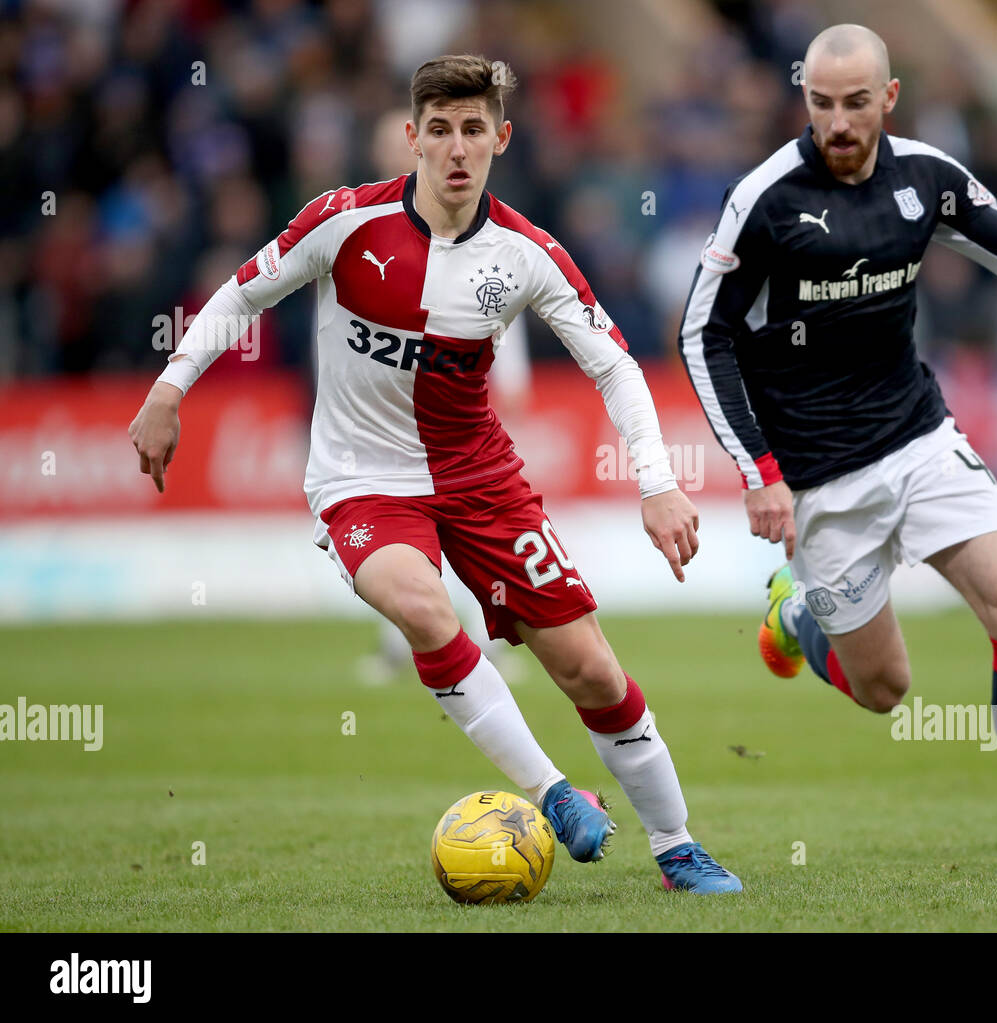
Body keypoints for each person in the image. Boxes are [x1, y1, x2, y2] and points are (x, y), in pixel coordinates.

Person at [129, 54, 741, 893]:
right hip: (361, 479)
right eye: (441, 131)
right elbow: (238, 297)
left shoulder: (529, 254)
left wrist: (656, 479)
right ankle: (553, 791)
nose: (457, 149)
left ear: (502, 138)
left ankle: (677, 846)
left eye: (474, 131)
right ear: (413, 137)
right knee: (418, 604)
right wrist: (168, 390)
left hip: (479, 477)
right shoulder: (341, 223)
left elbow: (616, 367)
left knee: (590, 669)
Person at [678, 24, 997, 867]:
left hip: (917, 436)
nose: (839, 122)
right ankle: (794, 614)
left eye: (857, 103)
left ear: (888, 98)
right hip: (818, 477)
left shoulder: (928, 178)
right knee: (886, 690)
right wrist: (762, 473)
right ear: (804, 99)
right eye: (822, 104)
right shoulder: (765, 197)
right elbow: (701, 335)